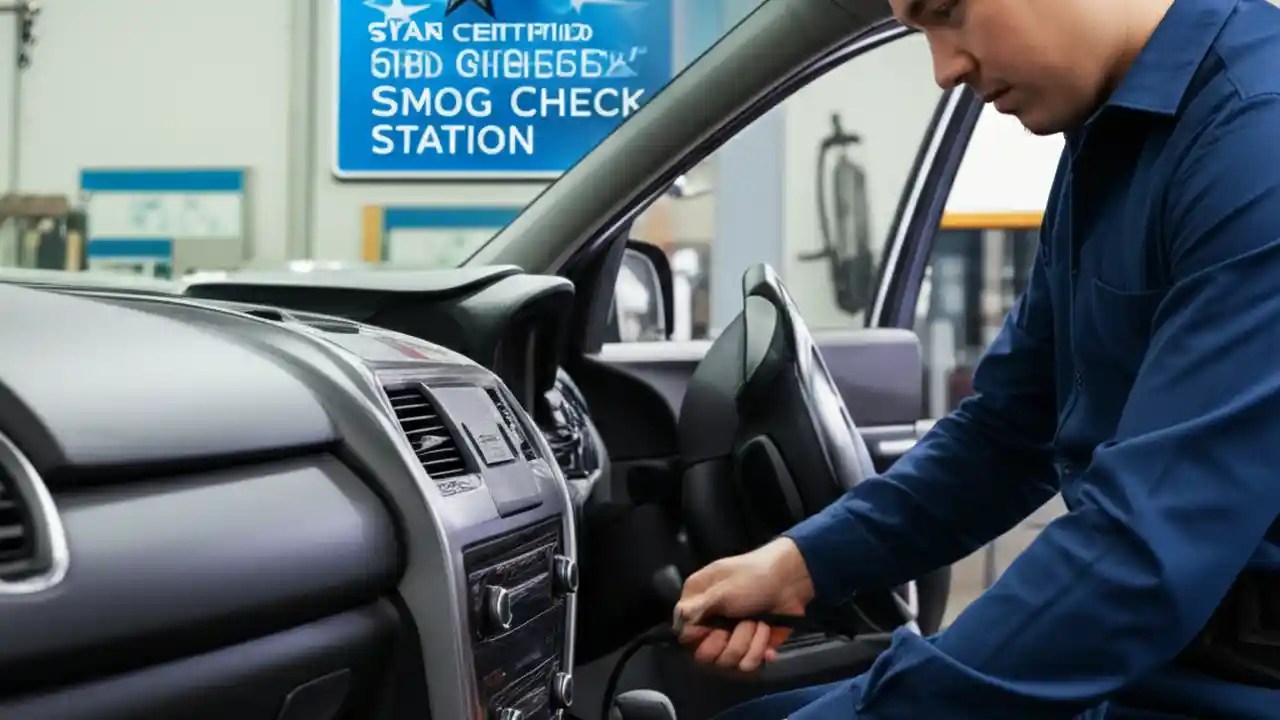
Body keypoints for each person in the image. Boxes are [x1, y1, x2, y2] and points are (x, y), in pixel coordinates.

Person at [673, 0, 1280, 717]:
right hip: (1136, 663)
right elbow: (1009, 430)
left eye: (949, 11)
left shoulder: (1255, 140)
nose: (944, 67)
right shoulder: (1113, 136)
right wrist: (805, 563)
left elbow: (1144, 552)